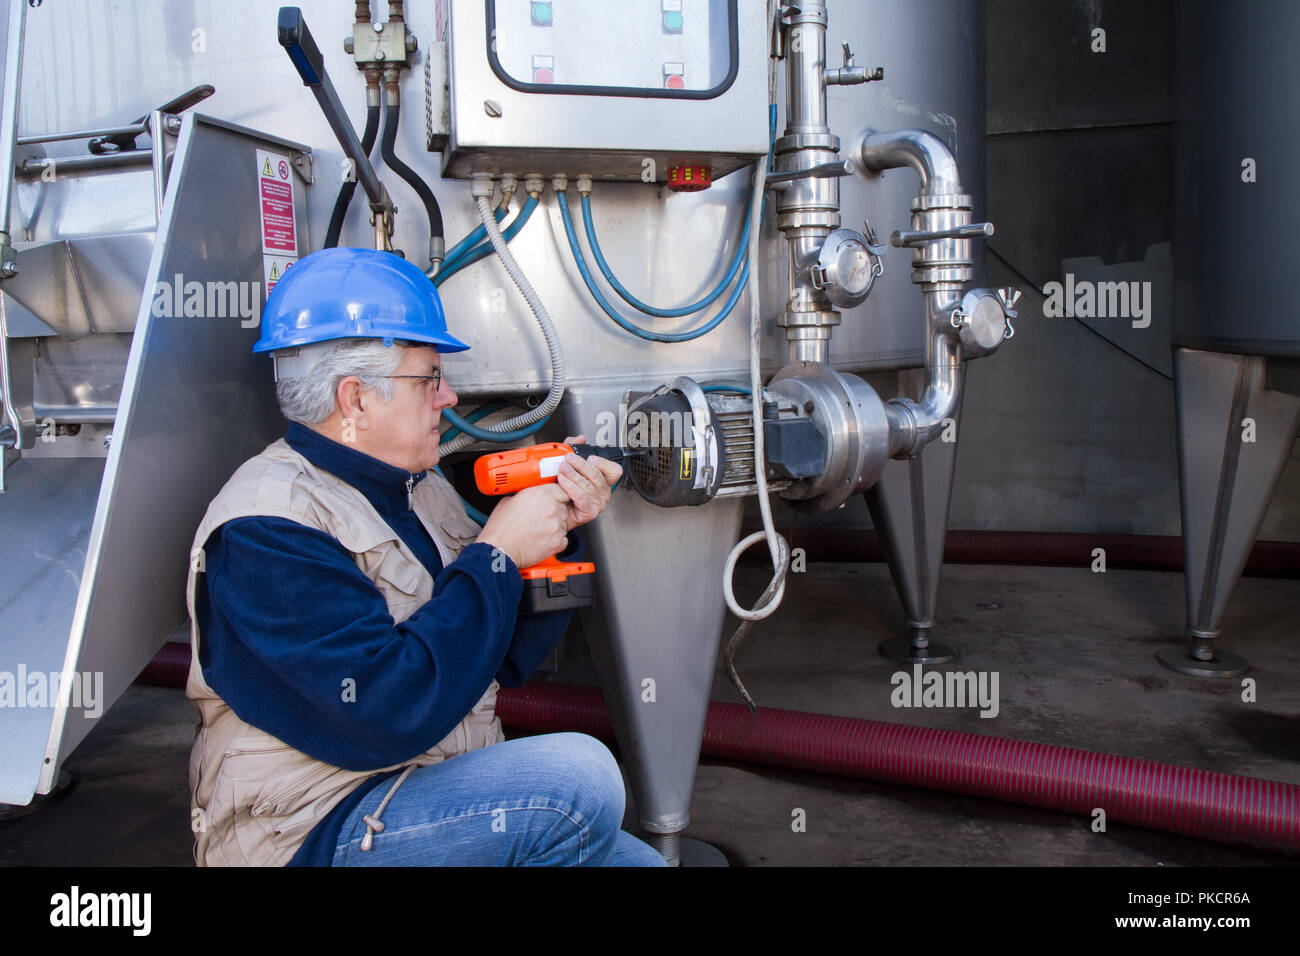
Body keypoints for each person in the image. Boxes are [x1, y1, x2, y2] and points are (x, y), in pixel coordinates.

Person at [184, 247, 665, 867]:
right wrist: (496, 554)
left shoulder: (414, 488)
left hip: (424, 785)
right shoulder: (266, 530)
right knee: (579, 781)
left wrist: (553, 536)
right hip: (315, 829)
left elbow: (501, 656)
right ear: (355, 398)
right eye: (430, 377)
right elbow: (384, 710)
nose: (450, 395)